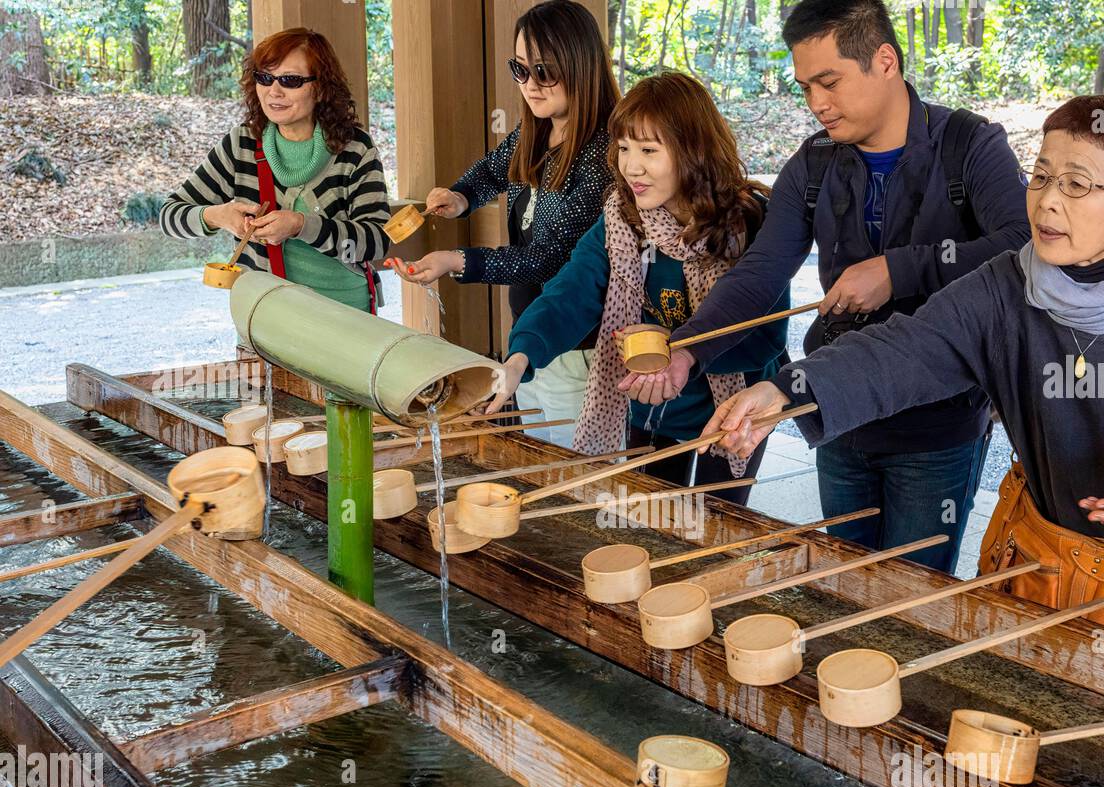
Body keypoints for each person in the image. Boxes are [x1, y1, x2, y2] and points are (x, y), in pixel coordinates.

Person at [704, 95, 1104, 614]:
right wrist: (786, 389)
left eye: (1077, 186)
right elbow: (904, 348)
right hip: (1044, 559)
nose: (1048, 201)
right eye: (1042, 176)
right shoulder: (1006, 286)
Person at [623, 0, 1030, 571]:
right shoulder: (813, 164)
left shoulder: (969, 146)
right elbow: (762, 269)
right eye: (805, 87)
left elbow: (1025, 248)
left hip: (937, 420)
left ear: (885, 61)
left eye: (829, 82)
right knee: (845, 579)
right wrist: (688, 349)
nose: (816, 103)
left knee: (914, 595)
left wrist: (900, 270)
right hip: (833, 408)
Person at [482, 72, 791, 506]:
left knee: (715, 527)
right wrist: (519, 359)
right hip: (646, 401)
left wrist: (680, 348)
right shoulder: (622, 217)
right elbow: (570, 292)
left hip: (733, 407)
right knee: (650, 520)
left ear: (693, 150)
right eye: (624, 148)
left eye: (649, 150)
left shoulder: (750, 223)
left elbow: (765, 336)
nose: (631, 166)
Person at [391, 0, 619, 447]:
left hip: (579, 346)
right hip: (529, 336)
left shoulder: (604, 153)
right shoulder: (537, 128)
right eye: (520, 69)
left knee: (582, 481)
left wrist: (457, 260)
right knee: (535, 467)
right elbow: (494, 170)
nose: (530, 85)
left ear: (581, 64)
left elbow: (546, 260)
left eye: (544, 71)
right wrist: (461, 196)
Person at [161, 27, 390, 312]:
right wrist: (217, 215)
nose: (274, 91)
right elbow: (169, 216)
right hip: (262, 316)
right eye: (265, 78)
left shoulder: (355, 148)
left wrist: (301, 225)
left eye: (291, 80)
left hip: (344, 315)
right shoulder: (242, 144)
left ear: (321, 88)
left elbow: (377, 242)